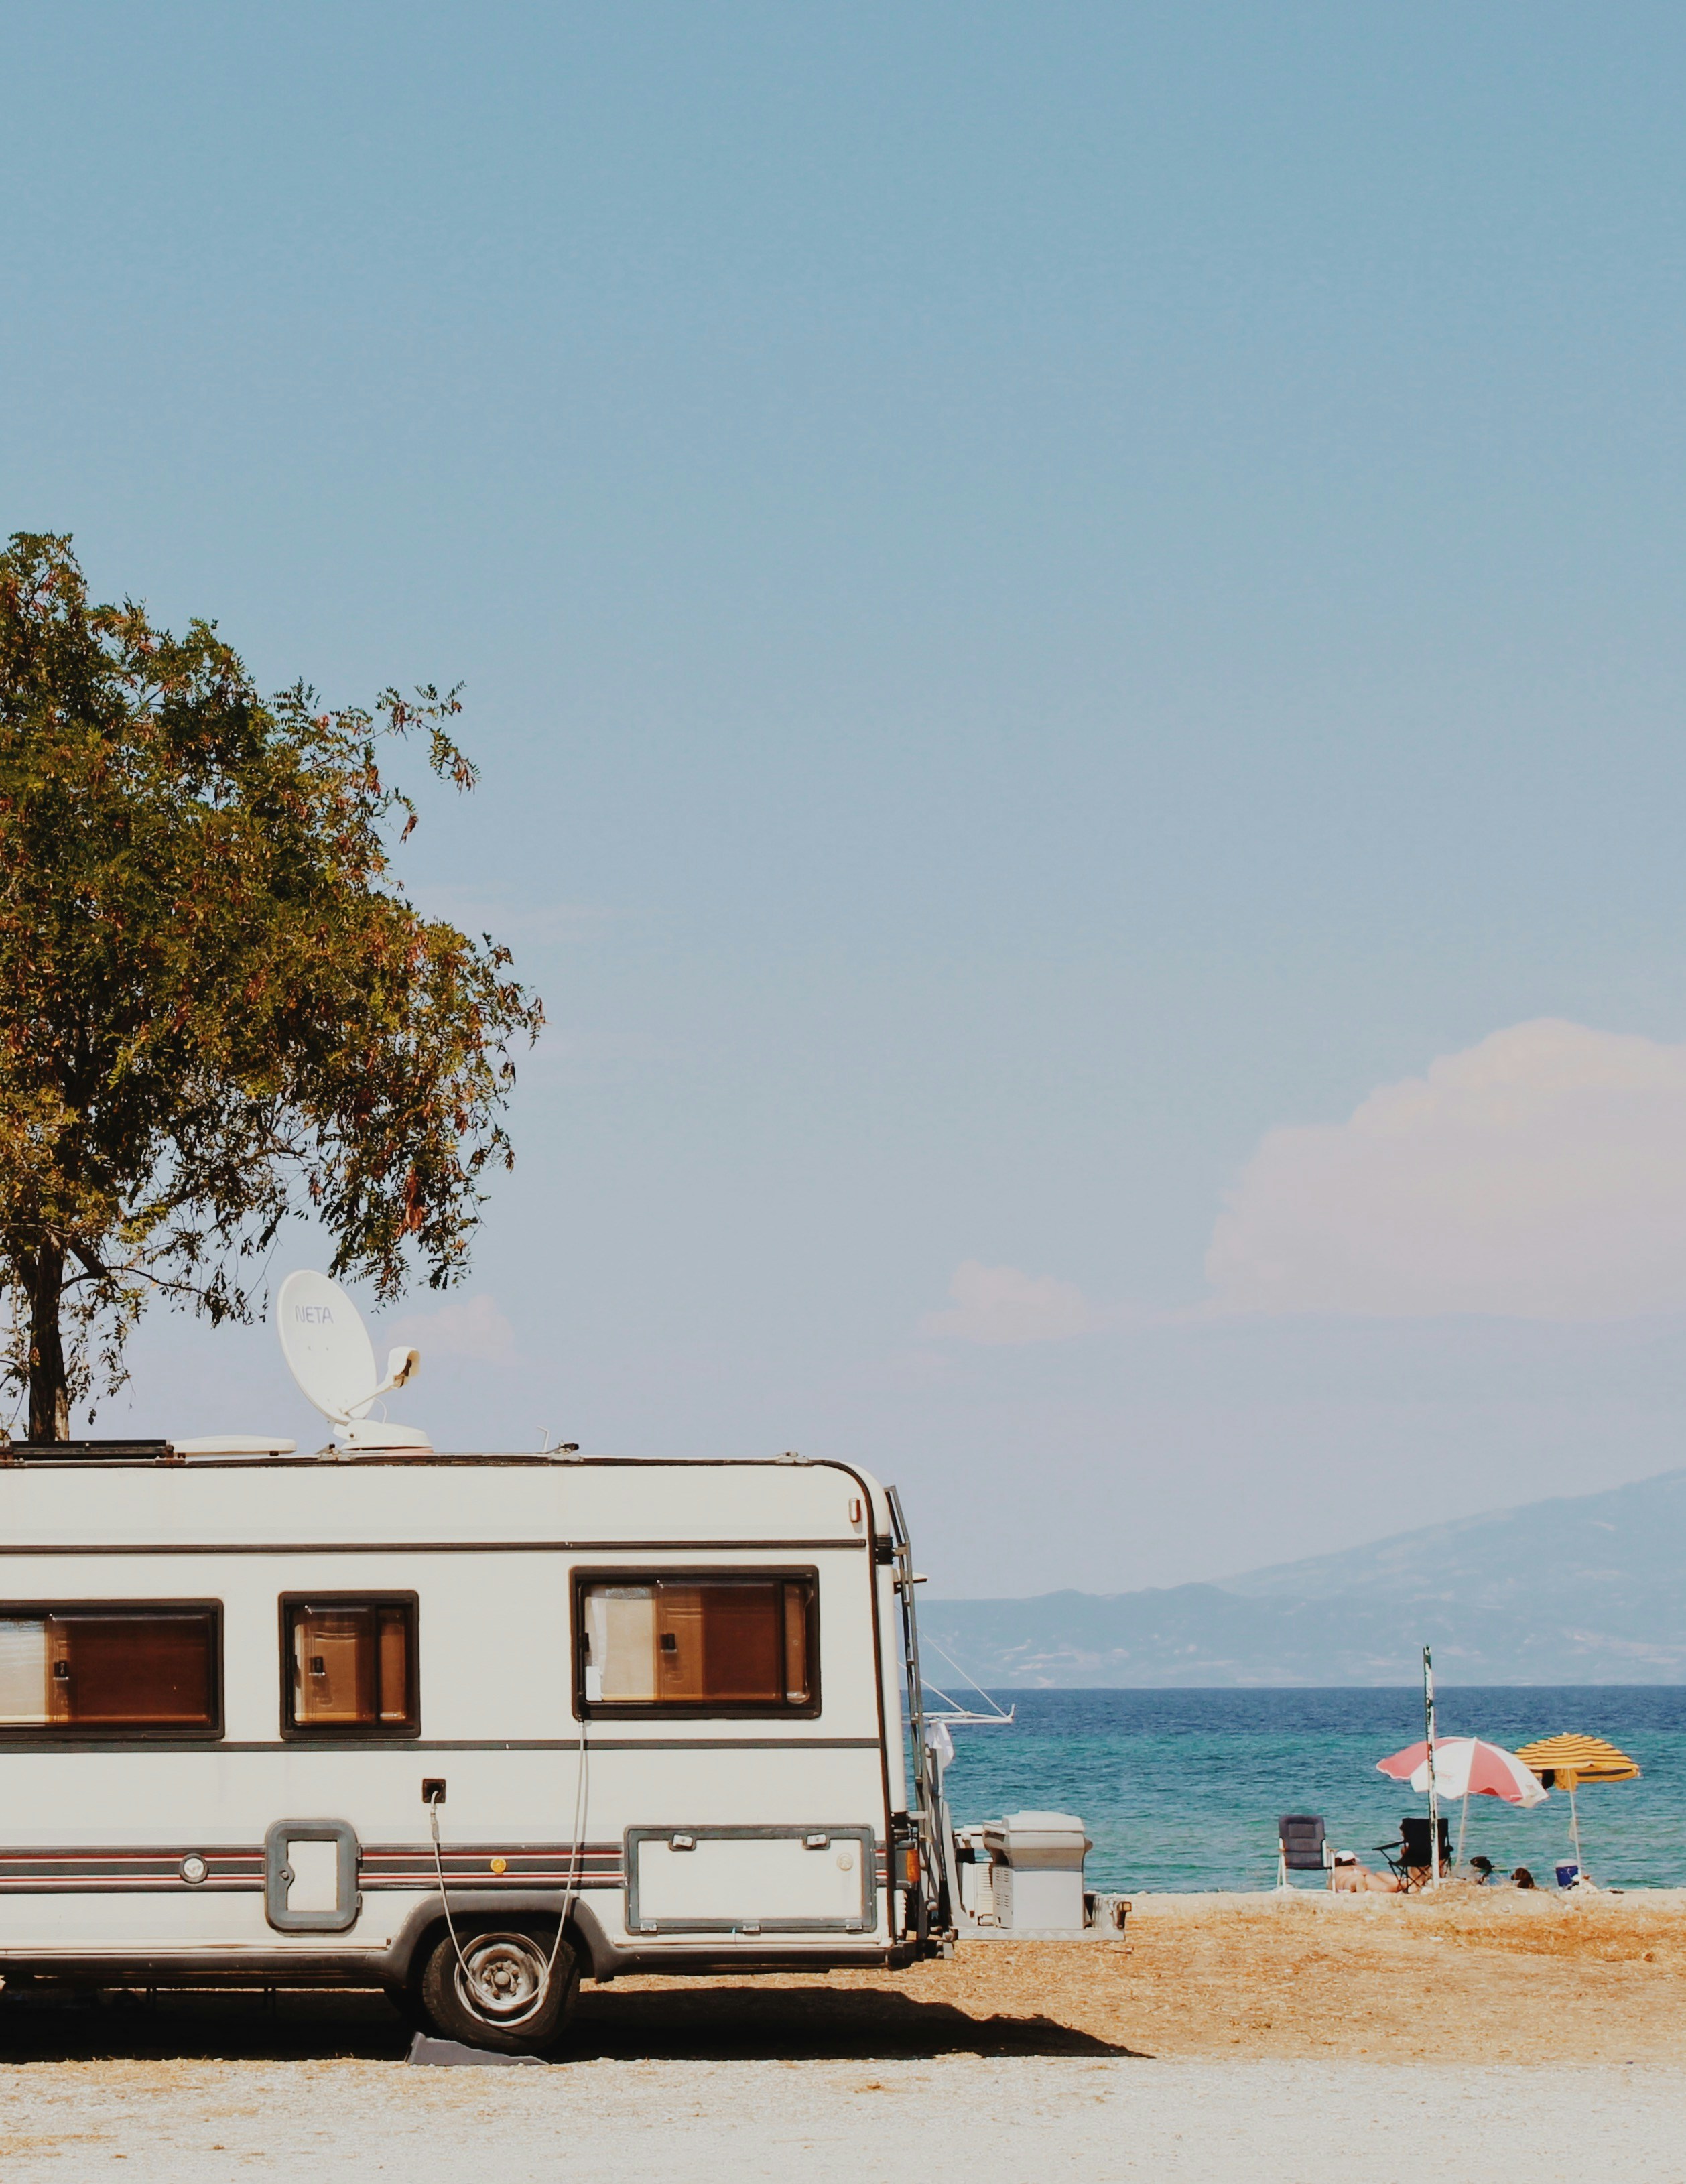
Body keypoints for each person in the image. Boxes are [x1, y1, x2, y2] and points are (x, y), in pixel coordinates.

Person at [1330, 1852, 1402, 1894]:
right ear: (1353, 1861)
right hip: (1365, 1876)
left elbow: (1331, 1887)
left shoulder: (1336, 1870)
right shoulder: (1362, 1868)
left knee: (1352, 1882)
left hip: (1347, 1881)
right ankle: (1402, 1882)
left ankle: (1356, 1883)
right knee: (1385, 1886)